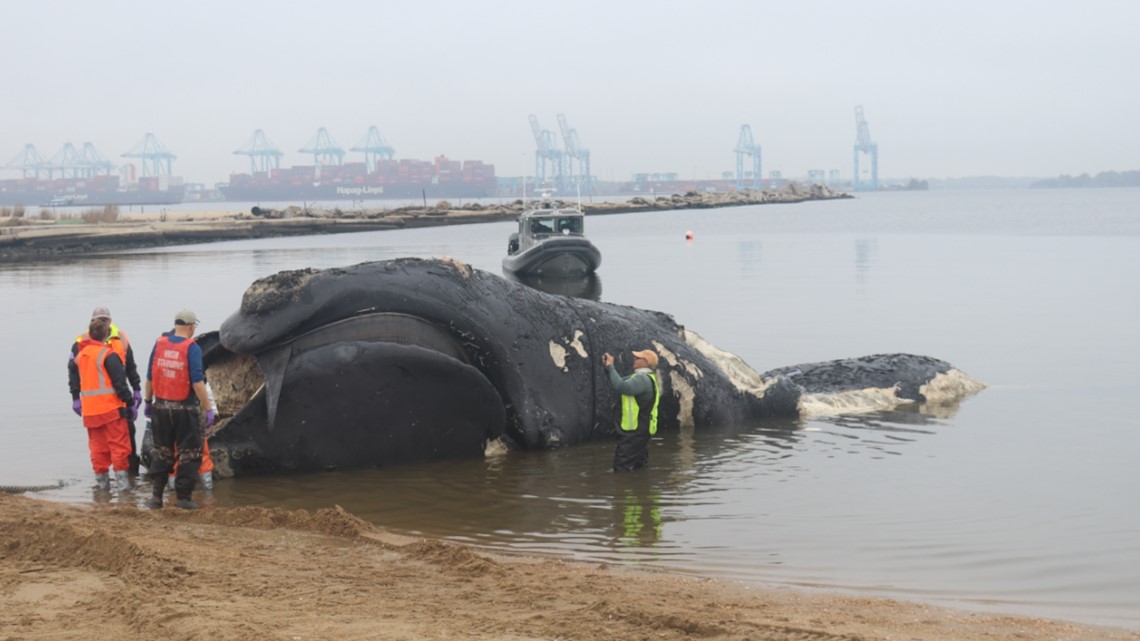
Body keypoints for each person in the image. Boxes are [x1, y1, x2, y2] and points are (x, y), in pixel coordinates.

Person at [143, 309, 215, 510]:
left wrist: (148, 401)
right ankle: (183, 497)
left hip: (161, 408)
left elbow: (150, 377)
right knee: (190, 454)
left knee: (162, 452)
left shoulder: (159, 344)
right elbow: (197, 383)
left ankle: (156, 497)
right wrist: (208, 409)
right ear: (191, 327)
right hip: (185, 410)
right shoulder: (192, 348)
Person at [69, 305, 143, 476]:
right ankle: (123, 484)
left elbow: (130, 366)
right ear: (92, 321)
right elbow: (73, 371)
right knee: (113, 446)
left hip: (111, 403)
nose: (102, 322)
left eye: (104, 319)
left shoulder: (120, 338)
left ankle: (128, 479)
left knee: (124, 440)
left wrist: (136, 388)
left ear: (110, 320)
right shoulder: (80, 343)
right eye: (99, 319)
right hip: (111, 405)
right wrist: (75, 396)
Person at [602, 348, 661, 472]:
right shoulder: (643, 377)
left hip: (634, 432)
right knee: (639, 467)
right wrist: (608, 368)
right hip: (640, 430)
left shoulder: (642, 379)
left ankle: (625, 484)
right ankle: (641, 483)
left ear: (646, 363)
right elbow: (617, 382)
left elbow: (622, 386)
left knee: (621, 468)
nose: (634, 359)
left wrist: (611, 366)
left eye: (638, 358)